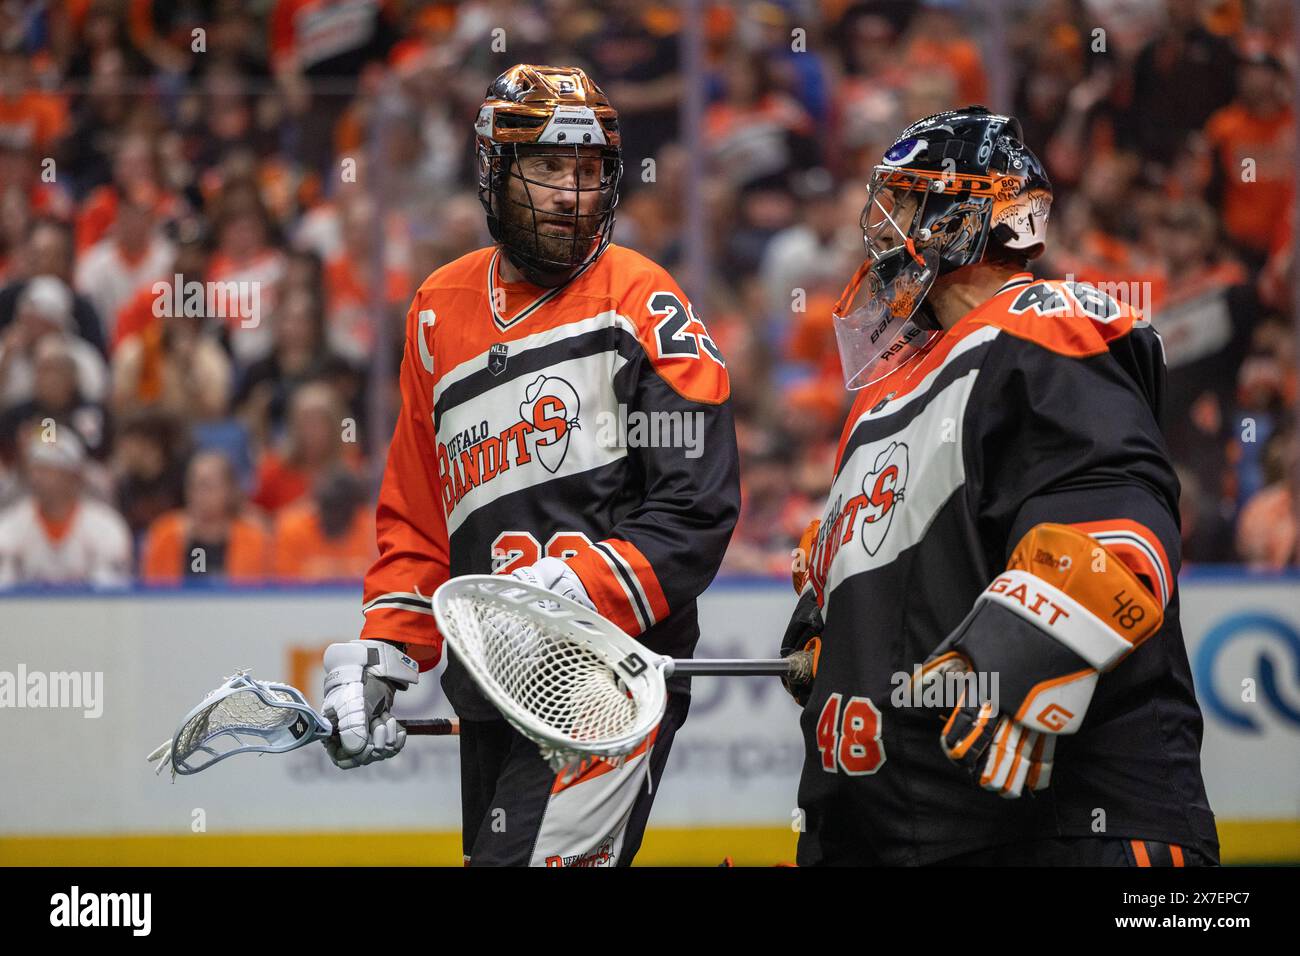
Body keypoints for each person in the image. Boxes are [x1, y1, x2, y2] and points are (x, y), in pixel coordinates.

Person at [320, 64, 739, 867]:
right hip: (487, 687)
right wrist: (388, 648)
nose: (569, 194)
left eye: (587, 172)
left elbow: (697, 508)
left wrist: (578, 592)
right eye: (547, 167)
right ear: (496, 171)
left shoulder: (646, 300)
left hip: (606, 681)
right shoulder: (437, 309)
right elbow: (417, 514)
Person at [779, 106, 1218, 866]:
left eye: (907, 204)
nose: (883, 230)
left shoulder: (1042, 322)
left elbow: (1114, 526)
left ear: (965, 217)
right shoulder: (885, 392)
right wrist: (828, 637)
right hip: (909, 825)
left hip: (1063, 823)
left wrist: (1014, 654)